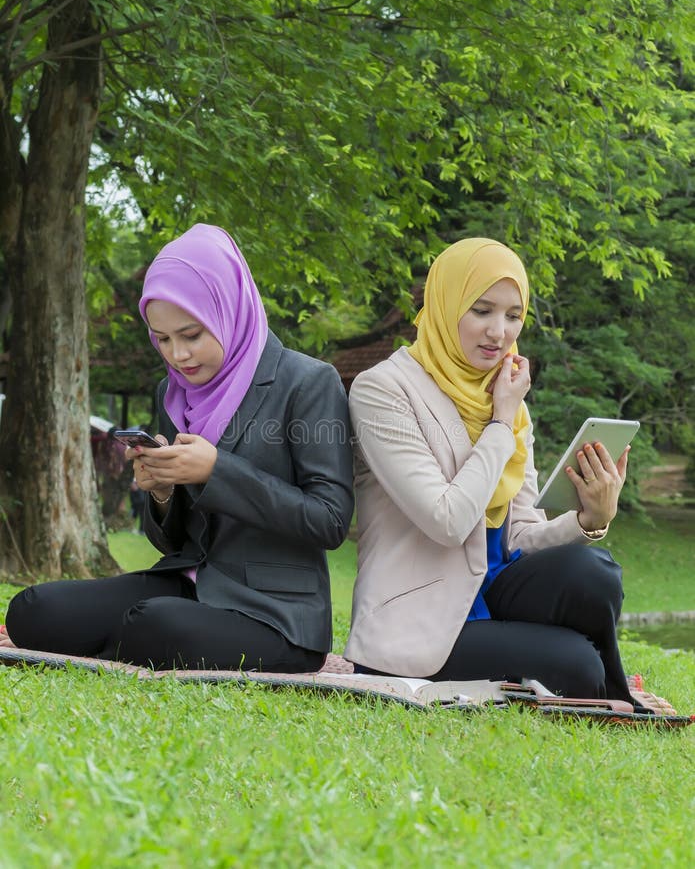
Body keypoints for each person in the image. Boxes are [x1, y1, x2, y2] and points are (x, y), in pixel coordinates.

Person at [5, 224, 354, 672]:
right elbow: (172, 542)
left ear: (228, 310)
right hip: (184, 586)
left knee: (153, 624)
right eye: (163, 339)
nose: (178, 356)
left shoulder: (307, 382)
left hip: (276, 614)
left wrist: (215, 471)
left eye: (191, 335)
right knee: (34, 609)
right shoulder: (173, 393)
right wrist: (162, 493)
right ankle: (132, 640)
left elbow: (330, 520)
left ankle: (127, 640)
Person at [344, 237, 638, 704]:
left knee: (595, 572)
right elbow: (446, 521)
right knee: (580, 666)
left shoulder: (504, 397)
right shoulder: (383, 390)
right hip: (424, 617)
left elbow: (521, 535)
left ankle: (575, 667)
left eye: (513, 315)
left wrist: (589, 520)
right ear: (445, 304)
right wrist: (500, 423)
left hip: (496, 590)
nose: (498, 332)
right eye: (481, 310)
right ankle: (585, 672)